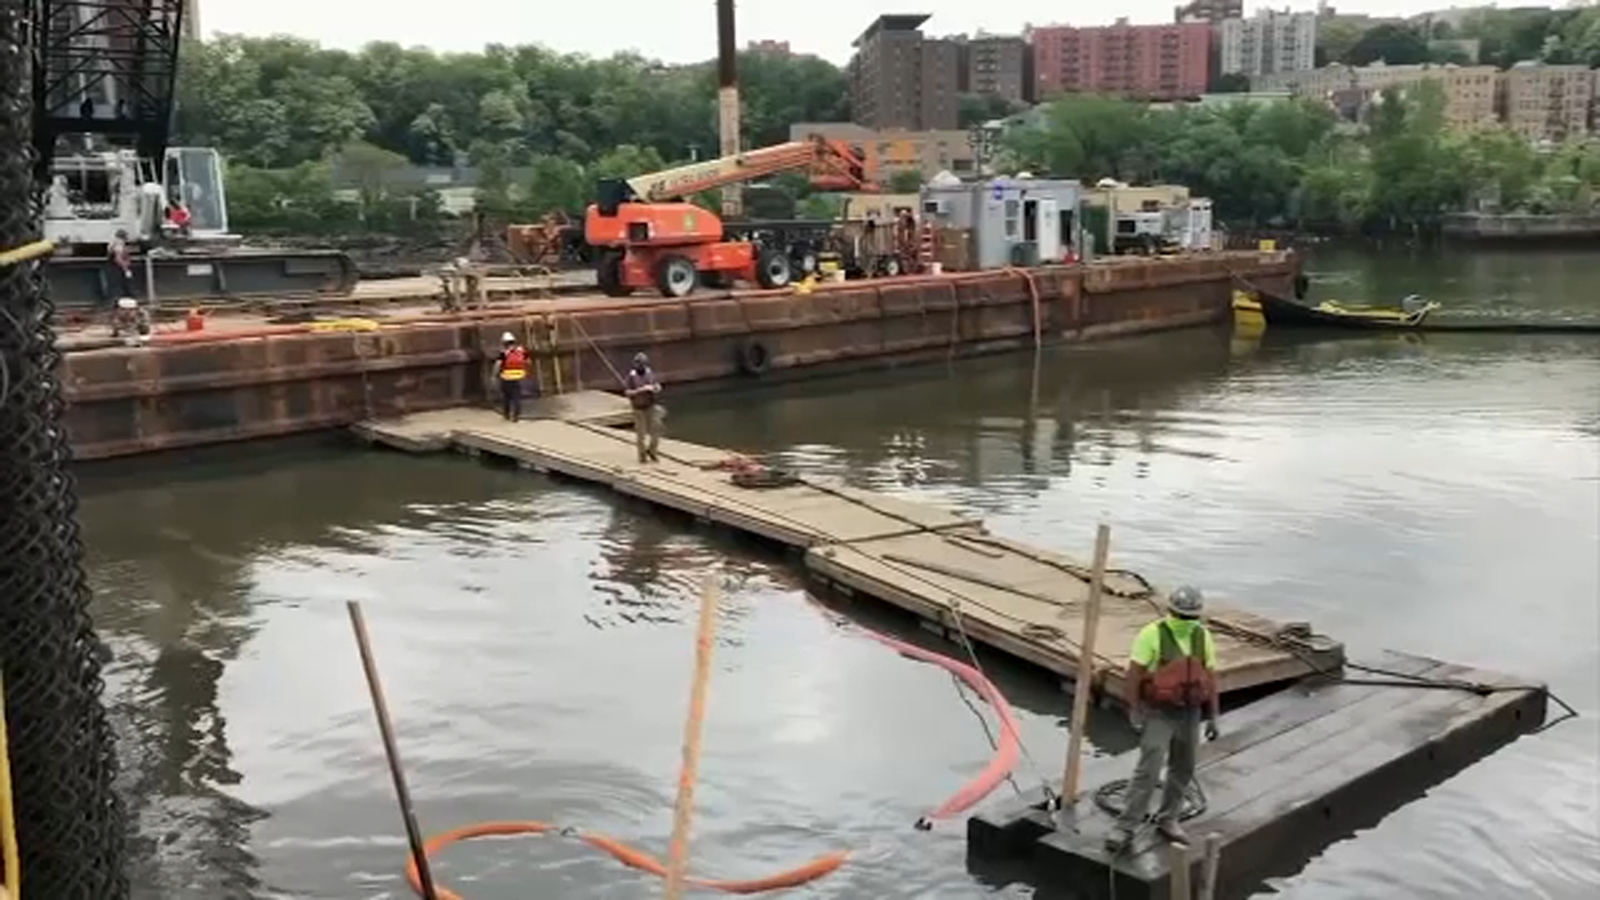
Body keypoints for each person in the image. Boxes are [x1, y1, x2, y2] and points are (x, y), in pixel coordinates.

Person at [1105, 585, 1221, 853]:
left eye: (1190, 617)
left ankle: (1168, 818)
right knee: (1150, 766)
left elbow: (1211, 677)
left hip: (1190, 713)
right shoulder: (1152, 634)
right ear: (1170, 611)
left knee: (1184, 766)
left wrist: (1213, 716)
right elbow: (1134, 674)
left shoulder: (1203, 637)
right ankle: (1125, 826)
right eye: (1181, 615)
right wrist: (1133, 708)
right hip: (1160, 712)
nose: (1185, 621)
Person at [624, 352, 663, 463]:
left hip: (651, 405)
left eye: (643, 363)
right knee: (641, 434)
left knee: (656, 430)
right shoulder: (631, 376)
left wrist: (656, 388)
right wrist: (639, 390)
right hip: (638, 407)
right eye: (639, 364)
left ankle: (652, 451)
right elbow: (627, 392)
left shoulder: (649, 373)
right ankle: (642, 456)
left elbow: (656, 384)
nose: (641, 366)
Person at [492, 332, 529, 422]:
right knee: (517, 397)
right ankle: (516, 416)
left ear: (504, 343)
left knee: (507, 397)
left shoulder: (504, 353)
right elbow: (528, 361)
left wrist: (494, 375)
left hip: (507, 377)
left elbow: (498, 364)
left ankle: (507, 414)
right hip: (519, 377)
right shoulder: (521, 351)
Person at [108, 229, 135, 300]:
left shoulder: (113, 243)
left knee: (116, 285)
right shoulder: (118, 244)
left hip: (114, 267)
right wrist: (125, 269)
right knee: (121, 285)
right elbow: (118, 258)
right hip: (117, 268)